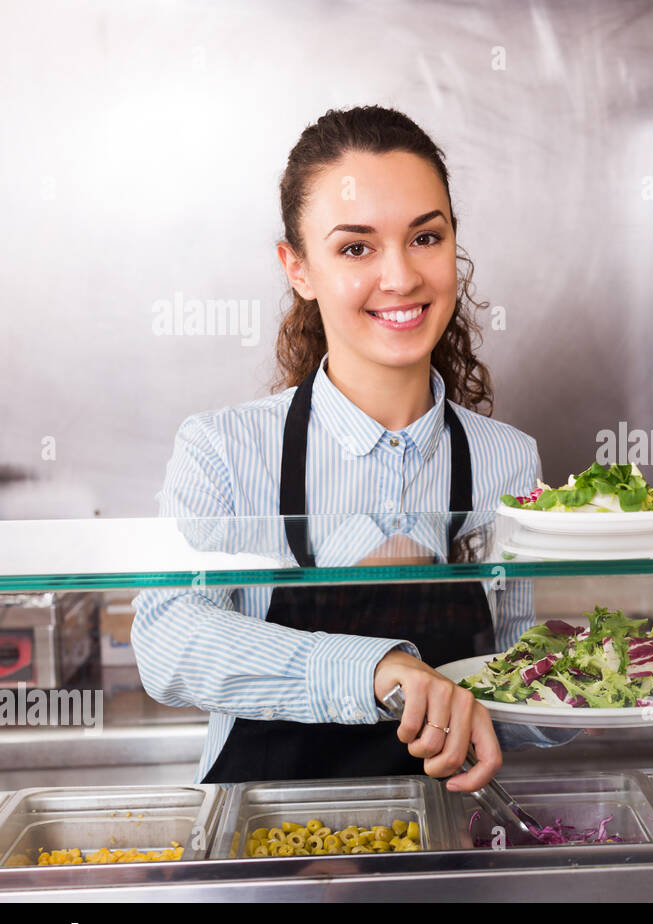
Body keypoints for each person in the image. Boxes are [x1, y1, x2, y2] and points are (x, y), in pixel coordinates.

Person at [133, 106, 557, 790]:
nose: (400, 277)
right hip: (269, 850)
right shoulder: (223, 448)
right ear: (298, 268)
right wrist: (377, 669)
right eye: (356, 247)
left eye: (425, 237)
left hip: (446, 841)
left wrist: (586, 685)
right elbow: (168, 643)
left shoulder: (509, 459)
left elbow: (512, 678)